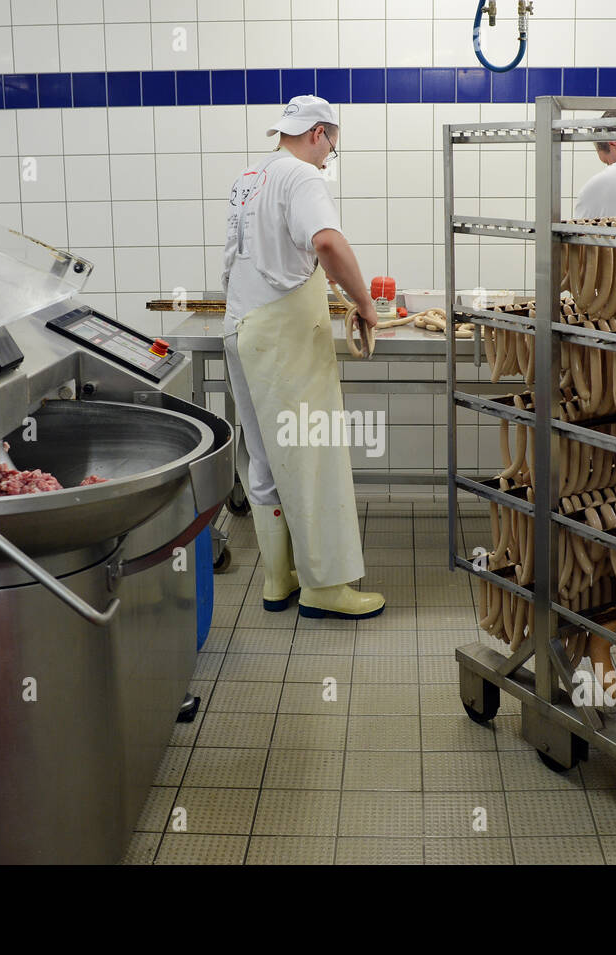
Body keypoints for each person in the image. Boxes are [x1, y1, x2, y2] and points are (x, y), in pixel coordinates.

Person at [219, 95, 385, 620]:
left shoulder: (248, 178)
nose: (327, 157)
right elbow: (328, 243)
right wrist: (365, 304)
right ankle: (325, 588)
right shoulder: (302, 177)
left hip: (242, 328)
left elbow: (262, 255)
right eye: (330, 147)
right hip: (284, 338)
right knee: (312, 456)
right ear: (318, 133)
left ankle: (277, 579)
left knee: (267, 459)